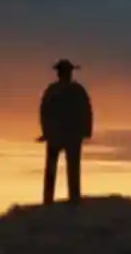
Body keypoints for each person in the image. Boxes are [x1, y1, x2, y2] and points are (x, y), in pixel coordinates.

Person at [37, 58, 93, 205]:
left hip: (65, 136)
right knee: (59, 169)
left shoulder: (59, 91)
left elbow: (44, 112)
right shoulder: (72, 91)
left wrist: (46, 132)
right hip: (64, 136)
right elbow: (45, 113)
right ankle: (61, 200)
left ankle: (60, 200)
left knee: (65, 169)